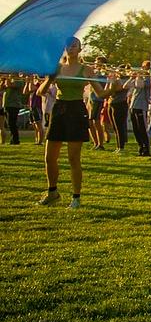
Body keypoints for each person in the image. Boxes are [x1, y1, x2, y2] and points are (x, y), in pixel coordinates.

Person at [35, 37, 92, 209]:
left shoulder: (86, 69)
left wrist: (113, 87)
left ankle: (76, 198)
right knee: (49, 157)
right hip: (59, 110)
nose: (71, 48)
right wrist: (49, 79)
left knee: (73, 158)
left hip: (76, 111)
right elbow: (40, 92)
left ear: (80, 49)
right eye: (68, 45)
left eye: (75, 45)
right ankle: (52, 193)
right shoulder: (56, 68)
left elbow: (101, 94)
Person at [129, 62, 151, 156]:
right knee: (136, 129)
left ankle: (146, 149)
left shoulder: (149, 79)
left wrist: (139, 75)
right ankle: (140, 147)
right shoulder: (140, 78)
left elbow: (140, 85)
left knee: (142, 128)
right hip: (133, 105)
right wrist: (132, 77)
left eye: (144, 67)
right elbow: (126, 85)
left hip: (142, 106)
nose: (142, 69)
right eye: (142, 67)